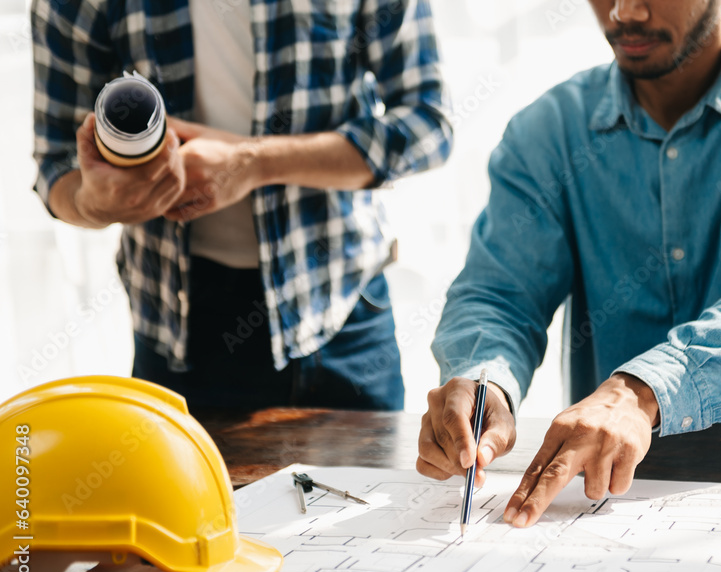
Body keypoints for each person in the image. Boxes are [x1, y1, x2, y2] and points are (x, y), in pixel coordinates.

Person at [418, 0, 721, 527]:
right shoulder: (549, 130)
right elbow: (500, 294)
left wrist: (639, 390)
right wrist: (484, 380)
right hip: (606, 504)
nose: (625, 11)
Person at [31, 0, 452, 410]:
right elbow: (57, 164)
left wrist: (254, 163)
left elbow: (427, 122)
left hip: (341, 309)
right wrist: (94, 205)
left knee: (375, 485)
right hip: (176, 328)